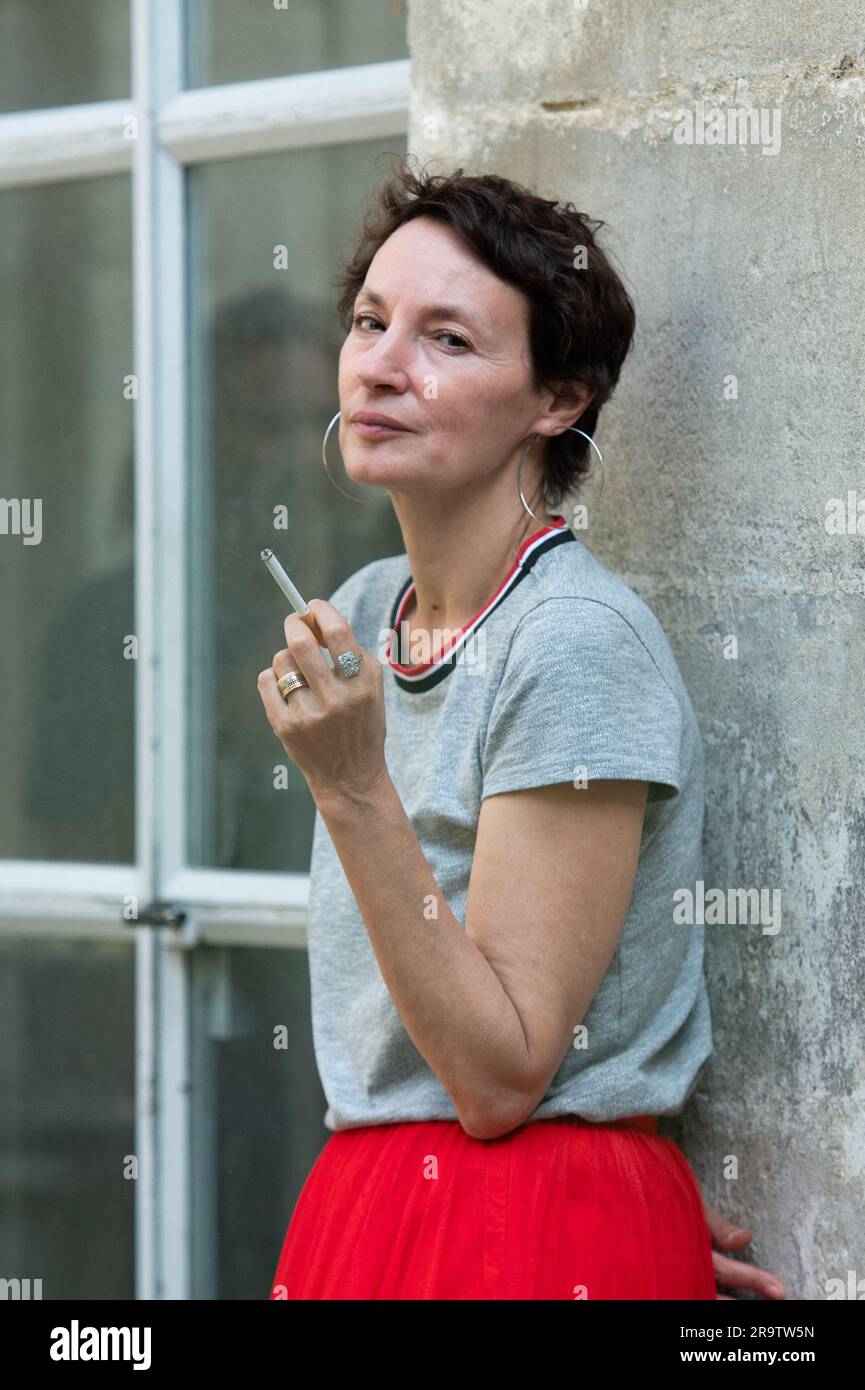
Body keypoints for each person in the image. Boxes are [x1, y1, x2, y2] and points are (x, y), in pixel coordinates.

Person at [257, 158, 785, 1300]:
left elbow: (498, 1078)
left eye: (448, 340)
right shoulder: (360, 608)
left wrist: (355, 789)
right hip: (374, 1202)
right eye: (369, 319)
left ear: (559, 399)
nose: (381, 366)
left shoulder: (574, 643)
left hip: (520, 1214)